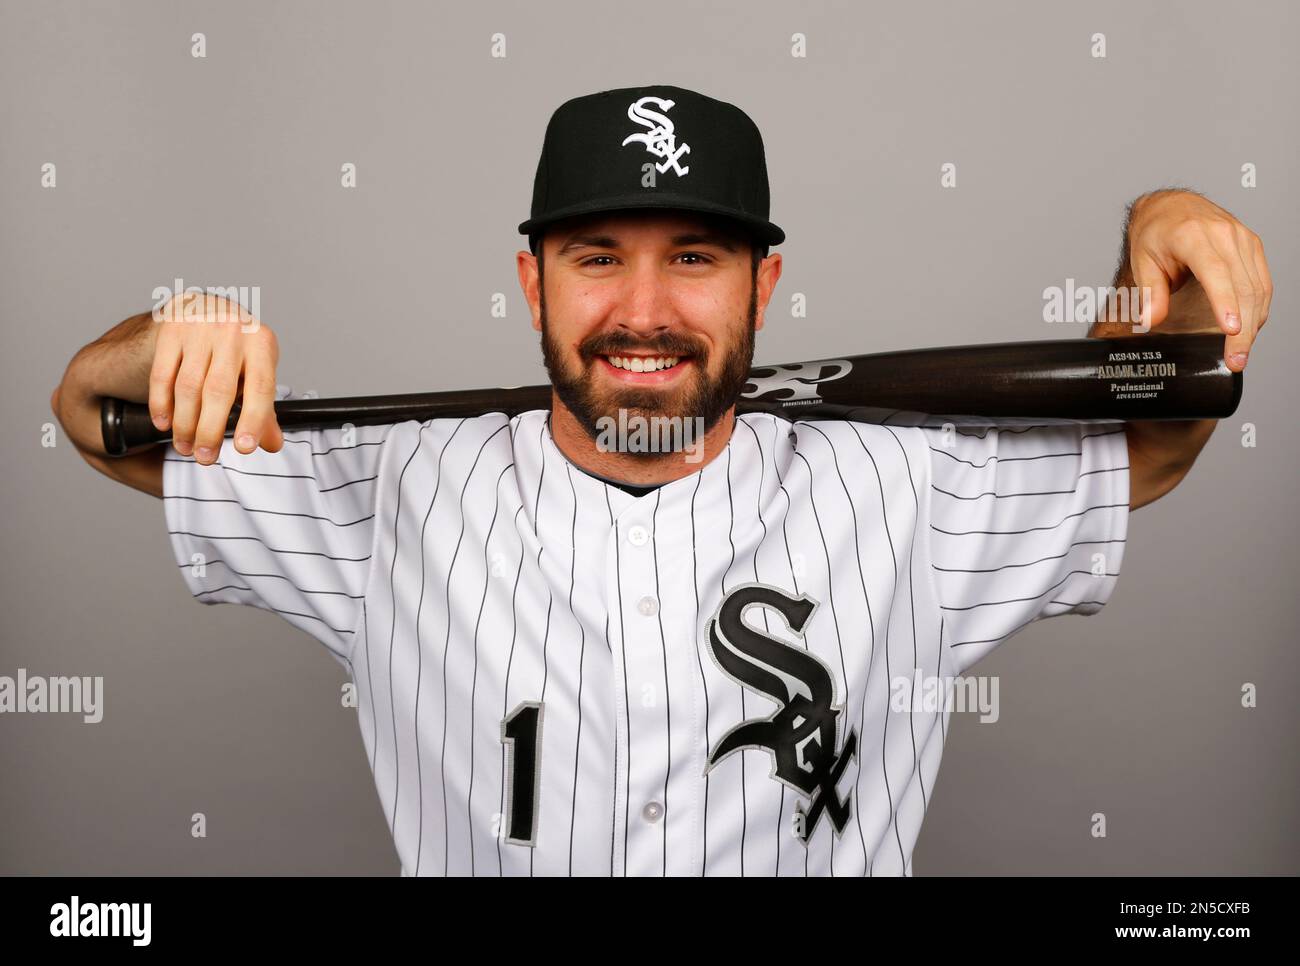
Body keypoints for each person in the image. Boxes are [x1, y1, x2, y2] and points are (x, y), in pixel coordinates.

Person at [51, 85, 1271, 876]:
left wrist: (1162, 229)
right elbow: (96, 418)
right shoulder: (385, 497)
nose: (642, 312)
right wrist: (170, 336)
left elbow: (1156, 431)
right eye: (597, 257)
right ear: (533, 285)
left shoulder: (912, 493)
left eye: (693, 257)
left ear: (763, 288)